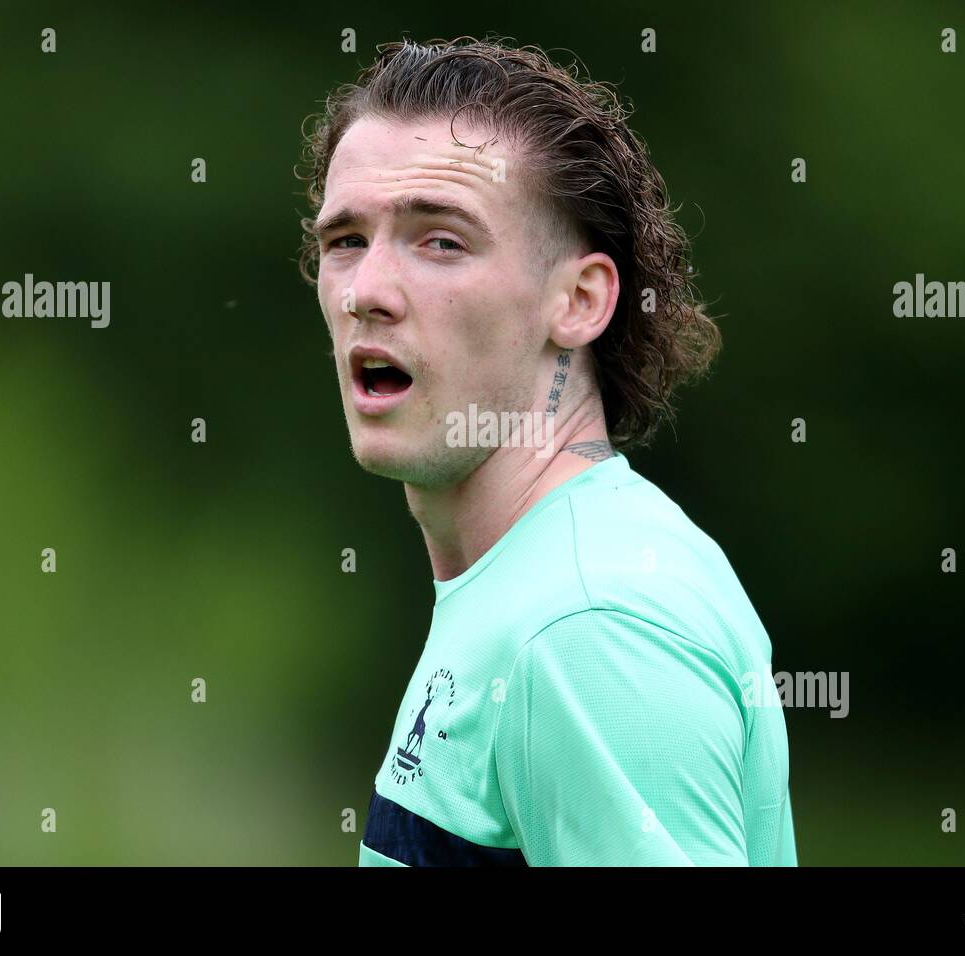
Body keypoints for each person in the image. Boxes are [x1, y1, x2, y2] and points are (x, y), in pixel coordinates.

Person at [298, 35, 797, 866]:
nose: (365, 292)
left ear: (579, 300)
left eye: (441, 241)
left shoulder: (588, 627)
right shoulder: (530, 583)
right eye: (346, 239)